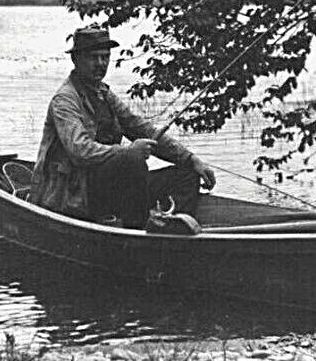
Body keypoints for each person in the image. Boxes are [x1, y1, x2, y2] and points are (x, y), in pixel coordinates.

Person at [30, 25, 216, 230]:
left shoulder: (103, 94)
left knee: (187, 174)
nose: (100, 63)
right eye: (94, 57)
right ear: (76, 60)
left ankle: (172, 229)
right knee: (132, 159)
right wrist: (128, 152)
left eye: (105, 57)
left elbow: (142, 129)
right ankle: (135, 231)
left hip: (109, 189)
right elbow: (79, 151)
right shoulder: (64, 100)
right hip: (75, 194)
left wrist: (191, 159)